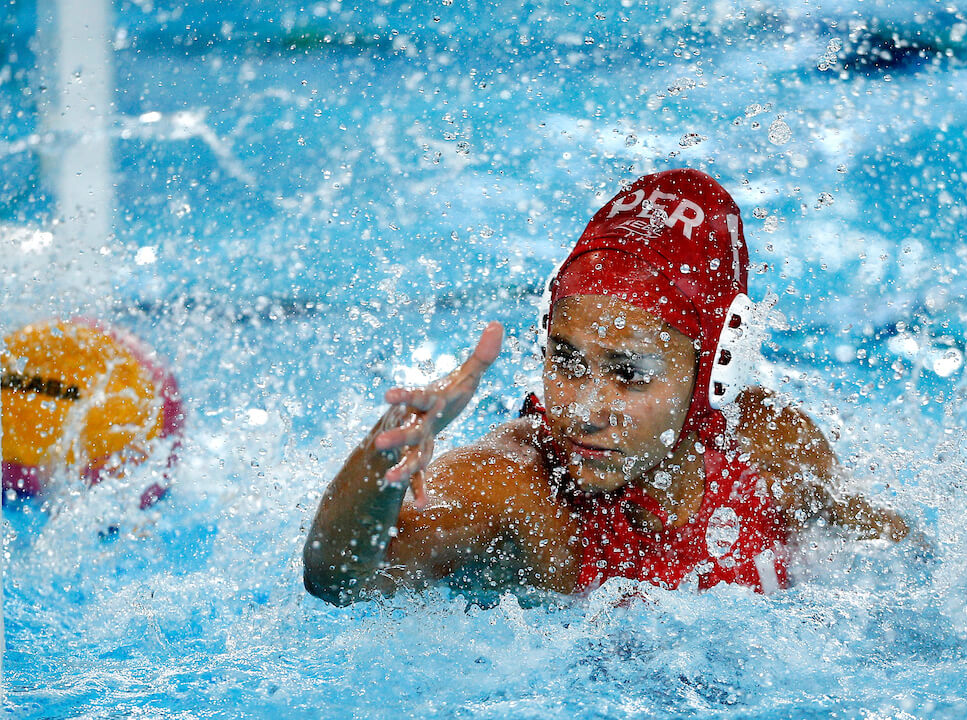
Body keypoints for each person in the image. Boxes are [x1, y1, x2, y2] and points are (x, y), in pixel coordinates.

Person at [304, 169, 912, 606]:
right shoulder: (521, 488)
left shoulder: (771, 445)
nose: (584, 411)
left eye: (628, 374)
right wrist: (388, 444)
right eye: (567, 363)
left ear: (713, 371)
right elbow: (339, 581)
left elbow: (880, 552)